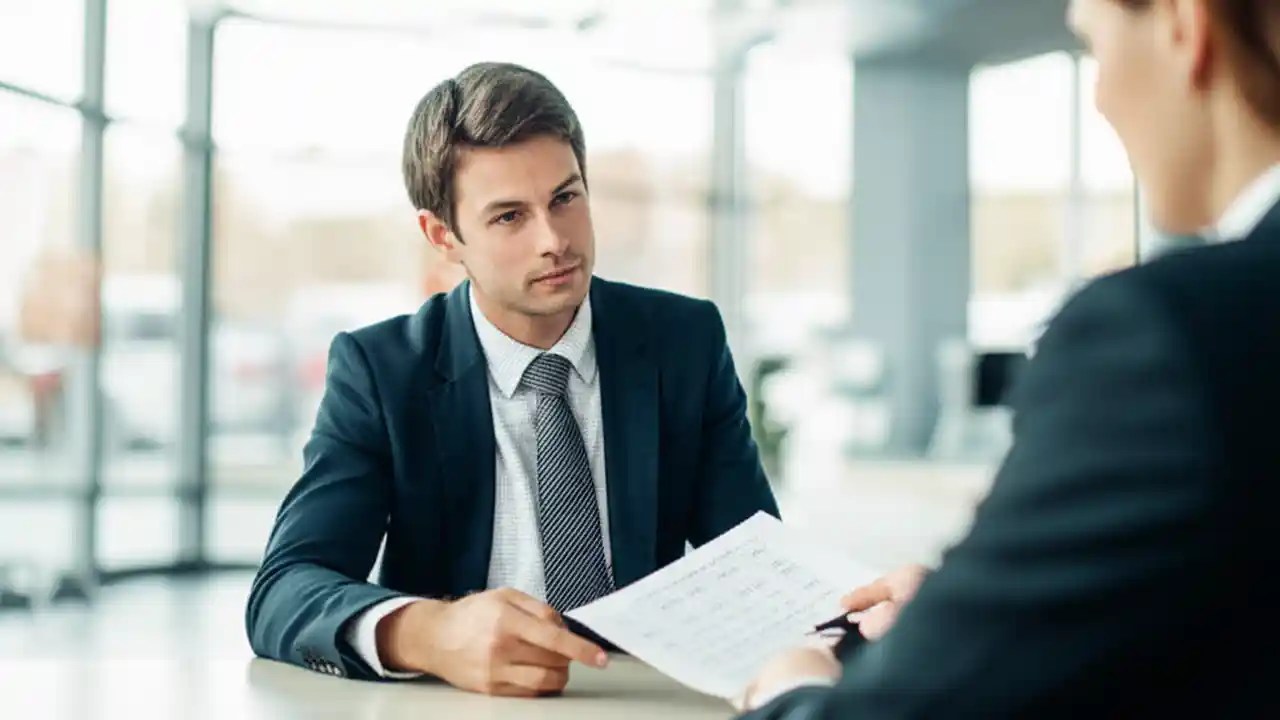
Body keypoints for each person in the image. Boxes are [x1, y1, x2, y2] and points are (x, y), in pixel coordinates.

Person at [737, 0, 1280, 716]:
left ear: (1184, 25)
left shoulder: (1164, 336)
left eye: (1093, 45)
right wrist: (988, 618)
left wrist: (793, 686)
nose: (1102, 96)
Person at [245, 62, 779, 696]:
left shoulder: (682, 342)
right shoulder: (383, 371)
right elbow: (284, 589)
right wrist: (432, 633)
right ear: (443, 235)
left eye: (565, 198)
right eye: (508, 218)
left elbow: (758, 571)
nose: (554, 239)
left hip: (641, 697)